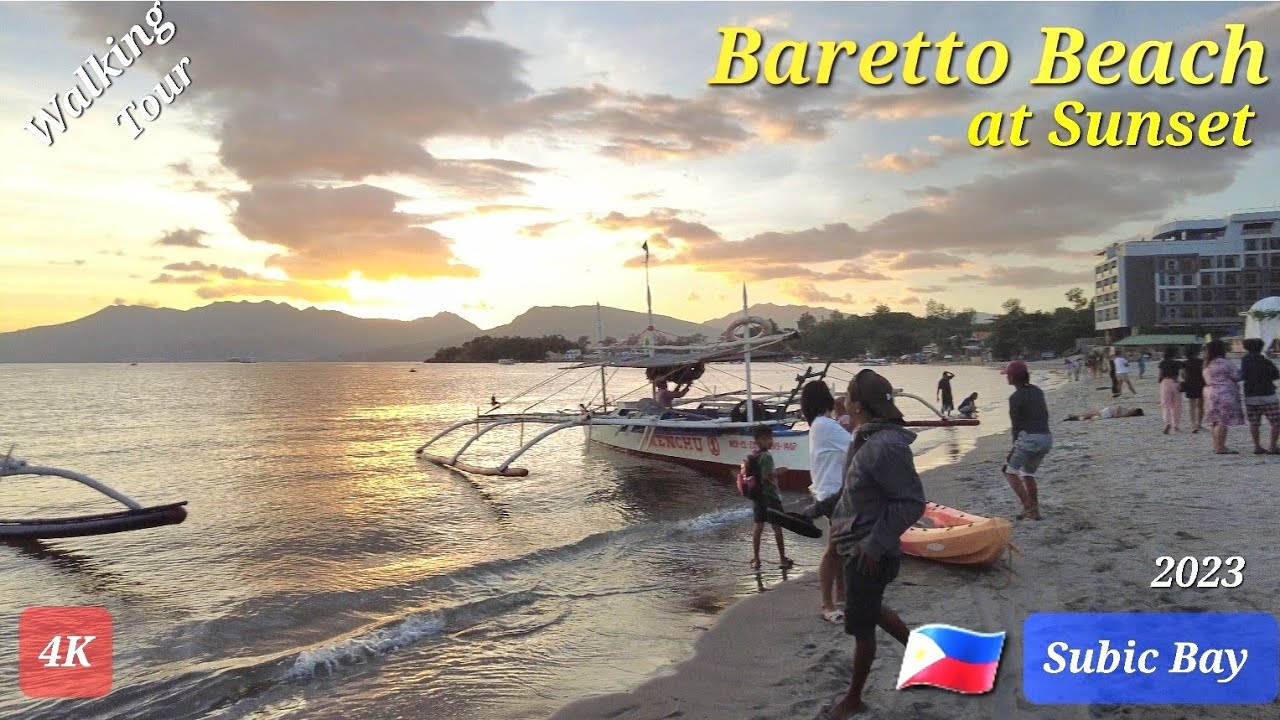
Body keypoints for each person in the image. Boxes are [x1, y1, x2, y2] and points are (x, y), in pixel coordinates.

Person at [827, 370, 924, 720]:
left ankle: (854, 699)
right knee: (870, 609)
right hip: (856, 545)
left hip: (868, 554)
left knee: (862, 627)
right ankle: (919, 650)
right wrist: (815, 509)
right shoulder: (865, 438)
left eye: (849, 397)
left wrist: (874, 544)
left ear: (859, 404)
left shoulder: (886, 446)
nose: (845, 403)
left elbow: (911, 502)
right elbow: (855, 492)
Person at [800, 381, 851, 623]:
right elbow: (856, 443)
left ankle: (841, 595)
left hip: (829, 490)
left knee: (839, 547)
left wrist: (842, 414)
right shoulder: (824, 426)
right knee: (834, 549)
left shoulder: (822, 424)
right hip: (831, 494)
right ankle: (827, 604)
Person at [1001, 360, 1052, 520]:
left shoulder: (1015, 397)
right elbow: (1044, 414)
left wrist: (1014, 447)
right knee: (1028, 473)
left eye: (1007, 375)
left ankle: (1028, 506)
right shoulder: (1037, 391)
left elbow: (1016, 426)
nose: (1006, 377)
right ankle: (1035, 512)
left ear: (1013, 378)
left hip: (1029, 438)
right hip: (1046, 437)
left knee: (1009, 471)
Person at [747, 424, 793, 570]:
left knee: (758, 527)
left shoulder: (755, 455)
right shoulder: (766, 456)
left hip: (757, 496)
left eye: (771, 438)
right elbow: (767, 476)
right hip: (770, 496)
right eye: (767, 439)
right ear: (759, 441)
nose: (770, 441)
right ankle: (782, 559)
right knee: (777, 527)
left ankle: (756, 559)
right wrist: (780, 471)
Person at [1203, 339, 1244, 454]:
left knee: (1214, 420)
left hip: (1211, 392)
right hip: (1225, 393)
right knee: (1223, 420)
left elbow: (1207, 379)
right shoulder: (1226, 363)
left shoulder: (1207, 364)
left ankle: (1216, 445)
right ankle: (1221, 447)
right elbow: (1237, 376)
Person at [1241, 338, 1280, 455]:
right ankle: (1272, 446)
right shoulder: (1265, 361)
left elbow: (1242, 375)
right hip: (1268, 395)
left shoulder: (1244, 361)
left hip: (1250, 396)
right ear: (1261, 347)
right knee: (1276, 422)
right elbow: (1276, 375)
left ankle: (1257, 446)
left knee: (1254, 423)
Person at [1157, 345, 1183, 434]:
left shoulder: (1162, 363)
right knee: (1176, 405)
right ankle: (1176, 426)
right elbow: (1182, 374)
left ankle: (1167, 422)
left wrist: (1159, 380)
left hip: (1165, 382)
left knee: (1165, 404)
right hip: (1175, 382)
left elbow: (1160, 375)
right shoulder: (1177, 363)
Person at [1181, 344, 1206, 433]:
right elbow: (1204, 372)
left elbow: (1183, 375)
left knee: (1191, 406)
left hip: (1190, 384)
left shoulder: (1185, 363)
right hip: (1201, 384)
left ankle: (1193, 425)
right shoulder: (1201, 361)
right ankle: (1199, 424)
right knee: (1201, 406)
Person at [1063, 406, 1145, 421]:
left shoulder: (1127, 413)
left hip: (1107, 413)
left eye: (1134, 408)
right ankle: (1076, 417)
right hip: (1107, 411)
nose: (1133, 407)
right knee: (1090, 413)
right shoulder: (1127, 410)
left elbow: (1116, 416)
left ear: (1134, 411)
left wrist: (1117, 408)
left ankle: (1075, 417)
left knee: (1090, 414)